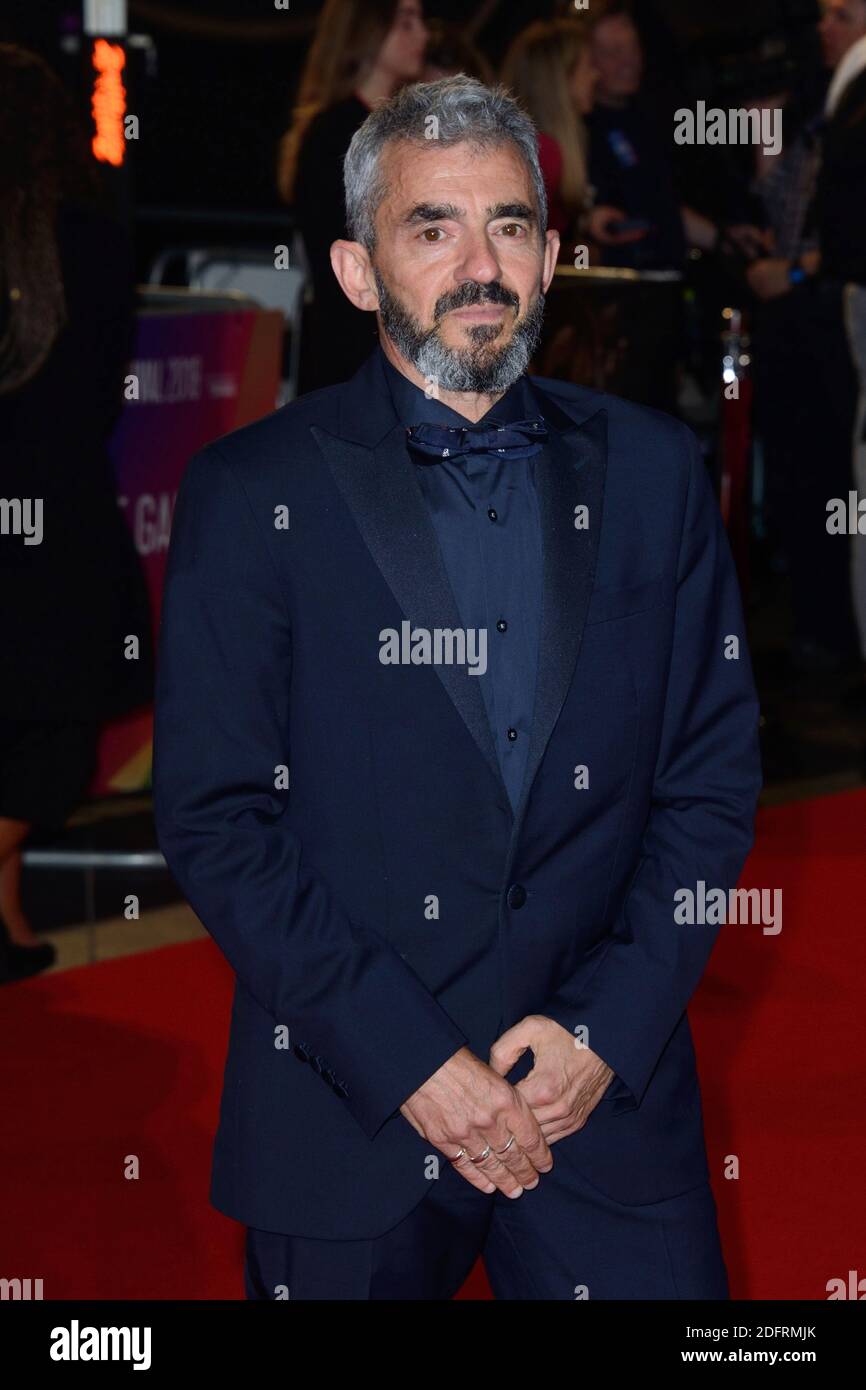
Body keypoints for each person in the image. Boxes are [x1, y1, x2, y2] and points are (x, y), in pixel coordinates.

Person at [153, 75, 762, 1301]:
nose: (478, 264)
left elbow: (708, 777)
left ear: (547, 259)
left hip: (600, 1103)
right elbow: (216, 818)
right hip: (345, 1109)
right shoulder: (247, 495)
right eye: (432, 227)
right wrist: (411, 1059)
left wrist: (604, 1032)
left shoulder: (649, 471)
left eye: (509, 226)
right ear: (356, 269)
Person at [0, 46, 153, 985]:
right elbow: (104, 396)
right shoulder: (91, 238)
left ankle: (7, 924)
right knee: (48, 736)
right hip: (58, 525)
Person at [277, 0, 429, 392]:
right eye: (406, 21)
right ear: (367, 30)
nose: (423, 35)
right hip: (351, 352)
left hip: (394, 346)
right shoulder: (333, 133)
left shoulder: (403, 127)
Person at [500, 19, 598, 248]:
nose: (596, 75)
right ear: (562, 79)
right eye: (588, 66)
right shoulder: (544, 152)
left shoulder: (536, 146)